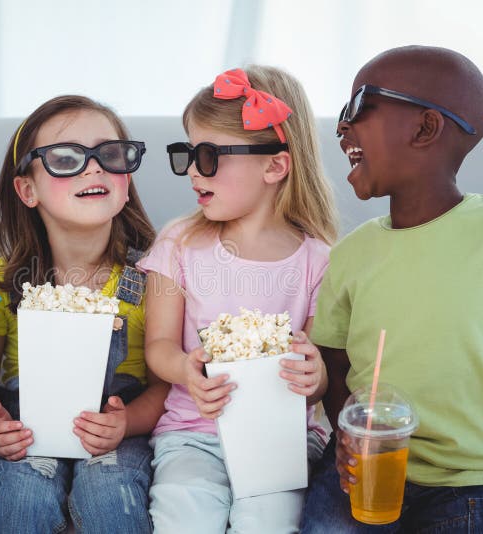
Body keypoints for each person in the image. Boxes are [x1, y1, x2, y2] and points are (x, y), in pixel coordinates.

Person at [301, 45, 483, 533]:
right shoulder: (351, 253)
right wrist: (347, 436)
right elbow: (335, 366)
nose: (341, 127)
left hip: (473, 483)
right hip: (363, 475)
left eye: (358, 106)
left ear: (425, 128)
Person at [138, 65, 338, 533]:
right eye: (188, 153)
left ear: (275, 165)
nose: (192, 170)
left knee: (268, 523)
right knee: (183, 517)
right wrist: (185, 368)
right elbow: (159, 346)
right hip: (192, 434)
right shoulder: (179, 243)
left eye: (208, 155)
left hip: (282, 439)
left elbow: (320, 366)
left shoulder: (319, 260)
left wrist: (318, 375)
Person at [0, 95, 169, 533]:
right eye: (65, 158)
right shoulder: (6, 279)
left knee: (108, 489)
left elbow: (165, 388)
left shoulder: (155, 276)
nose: (94, 167)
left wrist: (126, 423)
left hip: (119, 429)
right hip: (29, 430)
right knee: (24, 492)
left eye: (111, 154)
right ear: (27, 189)